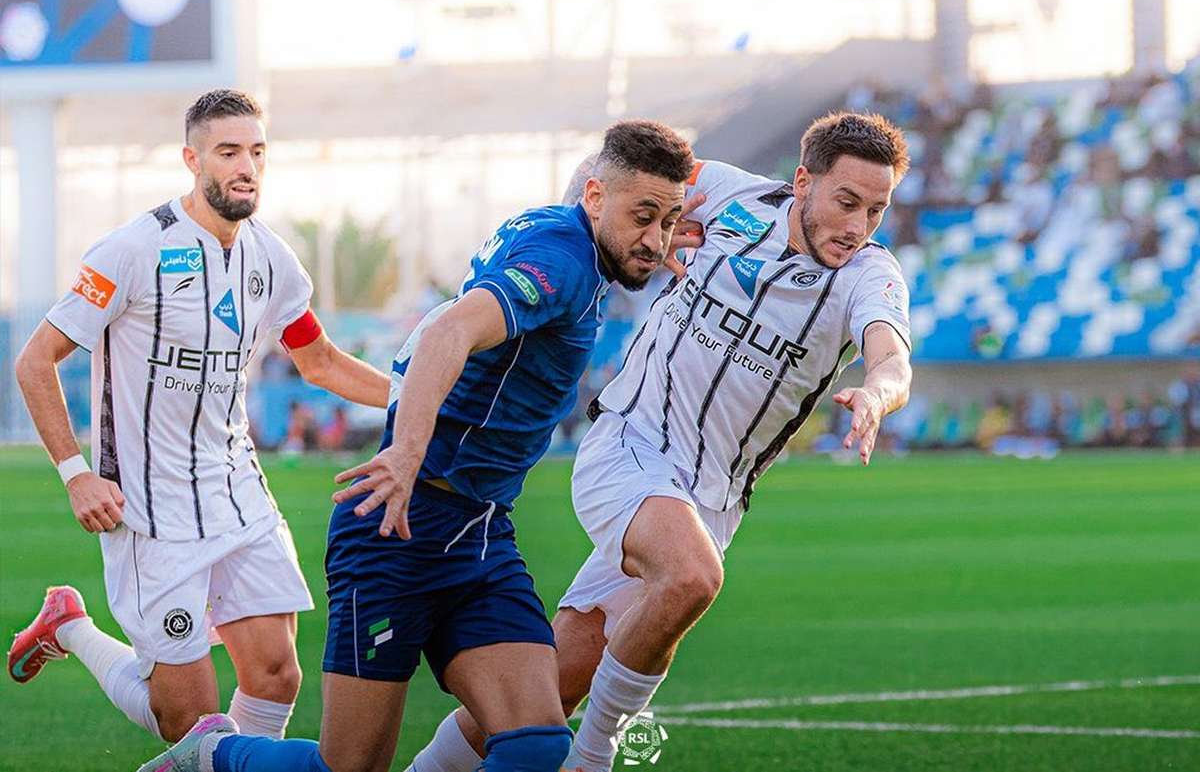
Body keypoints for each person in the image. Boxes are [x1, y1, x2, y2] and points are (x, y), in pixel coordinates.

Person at [137, 119, 700, 772]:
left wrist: (653, 227)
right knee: (350, 767)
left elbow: (605, 199)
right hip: (398, 528)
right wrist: (406, 452)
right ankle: (212, 754)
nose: (656, 239)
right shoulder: (563, 264)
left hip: (480, 533)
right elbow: (447, 333)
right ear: (596, 198)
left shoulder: (567, 232)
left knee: (538, 743)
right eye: (643, 217)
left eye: (668, 221)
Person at [409, 111, 915, 771]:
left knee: (548, 689)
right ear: (802, 182)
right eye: (846, 202)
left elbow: (891, 355)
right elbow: (598, 178)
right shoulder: (727, 192)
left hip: (712, 501)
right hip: (629, 442)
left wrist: (877, 391)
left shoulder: (869, 275)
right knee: (692, 575)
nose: (857, 225)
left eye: (875, 210)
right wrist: (636, 236)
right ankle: (592, 759)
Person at [9, 89, 391, 744]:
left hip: (237, 488)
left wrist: (419, 396)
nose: (247, 167)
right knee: (185, 721)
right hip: (149, 506)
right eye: (228, 152)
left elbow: (321, 361)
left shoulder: (271, 258)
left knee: (276, 675)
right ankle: (70, 626)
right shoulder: (132, 249)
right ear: (193, 160)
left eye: (257, 153)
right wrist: (76, 473)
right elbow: (34, 360)